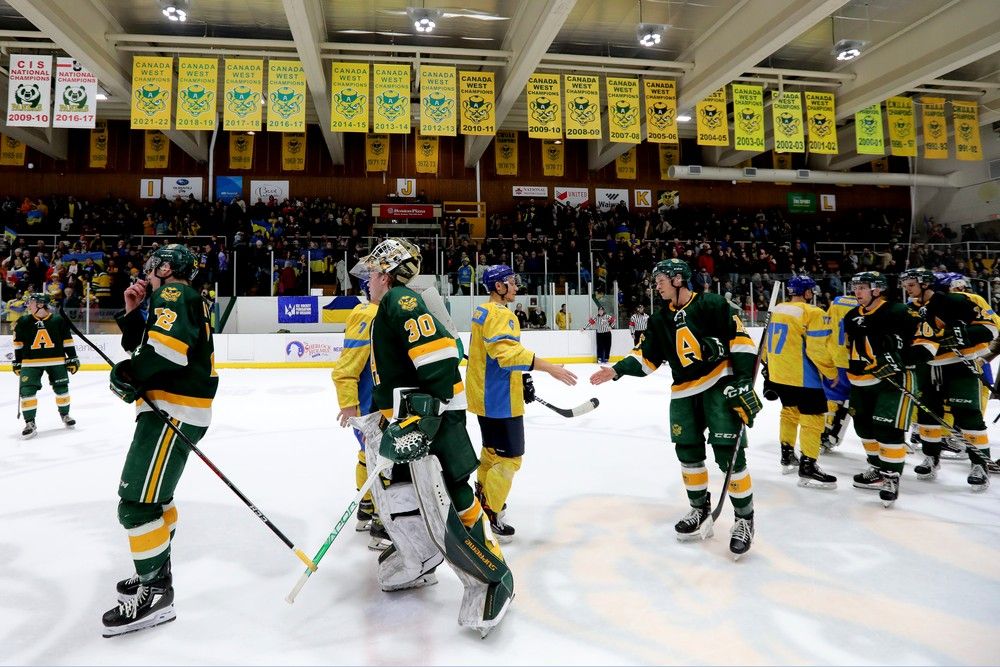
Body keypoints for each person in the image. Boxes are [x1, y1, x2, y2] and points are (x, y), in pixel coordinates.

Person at [355, 238, 513, 636]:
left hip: (438, 419)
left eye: (373, 272)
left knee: (452, 497)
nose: (368, 280)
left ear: (388, 273)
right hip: (415, 418)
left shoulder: (400, 301)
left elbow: (440, 359)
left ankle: (494, 576)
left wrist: (423, 421)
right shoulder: (389, 307)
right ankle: (420, 561)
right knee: (404, 497)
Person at [590, 259, 761, 560]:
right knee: (688, 454)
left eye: (661, 279)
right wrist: (616, 370)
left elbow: (741, 341)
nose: (656, 285)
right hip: (683, 391)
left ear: (679, 279)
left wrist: (744, 381)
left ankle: (744, 519)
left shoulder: (711, 304)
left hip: (719, 384)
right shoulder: (658, 320)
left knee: (728, 454)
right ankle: (699, 507)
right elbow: (647, 358)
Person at [102, 244, 218, 637]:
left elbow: (165, 355)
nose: (147, 272)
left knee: (136, 505)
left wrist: (127, 373)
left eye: (153, 266)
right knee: (157, 499)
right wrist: (135, 312)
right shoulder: (180, 298)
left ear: (167, 268)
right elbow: (148, 345)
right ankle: (156, 570)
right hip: (177, 411)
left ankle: (156, 592)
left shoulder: (173, 292)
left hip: (172, 411)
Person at [467, 265, 577, 541]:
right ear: (498, 287)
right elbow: (507, 355)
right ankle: (489, 511)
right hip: (499, 401)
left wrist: (521, 381)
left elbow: (495, 359)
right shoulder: (501, 315)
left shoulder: (483, 311)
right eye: (510, 282)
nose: (516, 287)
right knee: (510, 457)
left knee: (492, 452)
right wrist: (549, 368)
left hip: (488, 396)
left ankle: (481, 498)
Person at [900, 269, 996, 492]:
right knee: (927, 414)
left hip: (959, 365)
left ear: (925, 283)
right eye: (905, 284)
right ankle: (931, 458)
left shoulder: (957, 301)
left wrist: (965, 334)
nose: (907, 288)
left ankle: (980, 464)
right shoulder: (909, 310)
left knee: (968, 414)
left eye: (911, 283)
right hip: (929, 368)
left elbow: (990, 329)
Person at [843, 271, 920, 508]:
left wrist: (901, 359)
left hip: (890, 381)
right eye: (855, 287)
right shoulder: (851, 315)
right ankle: (876, 467)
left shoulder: (898, 311)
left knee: (888, 429)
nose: (857, 292)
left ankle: (891, 477)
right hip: (858, 381)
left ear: (877, 289)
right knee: (863, 428)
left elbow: (920, 341)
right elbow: (848, 347)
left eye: (862, 287)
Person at [761, 275, 838, 488]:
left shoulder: (777, 309)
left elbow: (766, 343)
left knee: (789, 412)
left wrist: (768, 366)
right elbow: (816, 350)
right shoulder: (813, 312)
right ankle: (808, 465)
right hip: (804, 376)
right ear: (806, 292)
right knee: (813, 420)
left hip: (778, 374)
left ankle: (787, 454)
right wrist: (831, 372)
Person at [331, 280, 389, 550]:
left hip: (373, 402)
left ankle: (366, 508)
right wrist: (348, 403)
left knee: (368, 457)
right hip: (371, 405)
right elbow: (347, 365)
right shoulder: (367, 314)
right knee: (385, 462)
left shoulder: (380, 312)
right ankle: (382, 524)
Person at [12, 292, 79, 438]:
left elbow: (67, 340)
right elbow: (18, 343)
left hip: (56, 361)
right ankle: (30, 422)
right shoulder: (23, 321)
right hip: (30, 363)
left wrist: (72, 357)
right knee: (27, 391)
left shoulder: (58, 320)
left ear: (41, 304)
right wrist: (17, 361)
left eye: (32, 302)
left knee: (62, 389)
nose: (28, 304)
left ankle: (65, 415)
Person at [819, 291, 859, 452]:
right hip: (855, 359)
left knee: (831, 397)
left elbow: (826, 326)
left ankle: (825, 433)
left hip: (834, 357)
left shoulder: (836, 303)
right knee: (856, 399)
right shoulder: (864, 305)